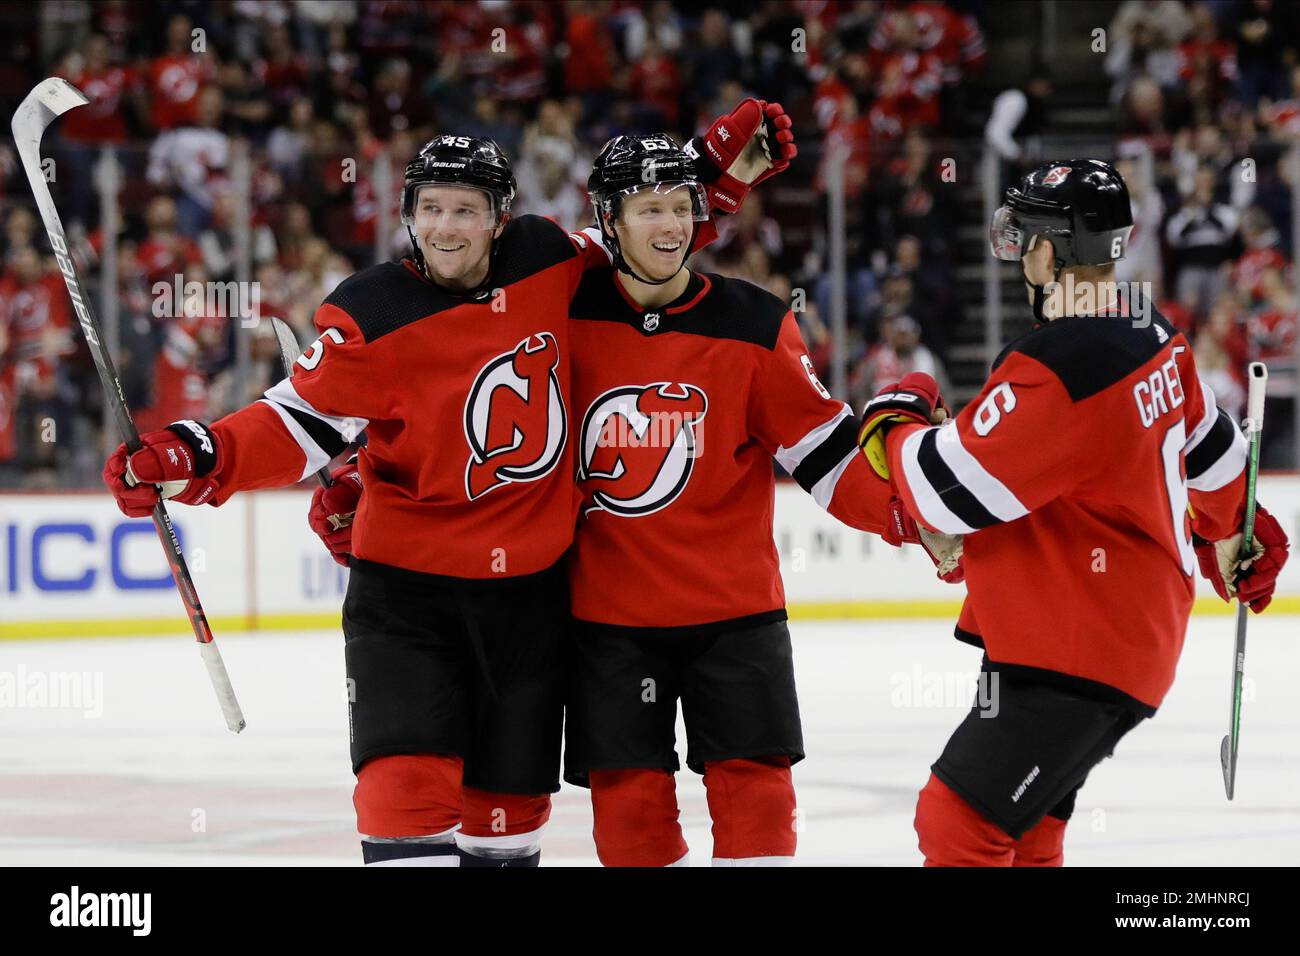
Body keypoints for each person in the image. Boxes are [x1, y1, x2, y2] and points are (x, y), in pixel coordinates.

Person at [101, 100, 789, 868]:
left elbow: (644, 236)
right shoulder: (371, 311)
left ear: (500, 220)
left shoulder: (550, 259)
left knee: (507, 819)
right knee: (405, 796)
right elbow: (296, 423)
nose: (446, 227)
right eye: (430, 208)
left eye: (466, 209)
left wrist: (712, 178)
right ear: (408, 216)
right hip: (408, 598)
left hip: (530, 599)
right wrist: (196, 455)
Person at [312, 135, 963, 866]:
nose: (670, 226)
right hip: (607, 626)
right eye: (647, 209)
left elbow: (823, 452)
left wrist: (910, 516)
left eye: (682, 208)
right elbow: (466, 391)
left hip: (736, 616)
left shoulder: (753, 323)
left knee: (759, 812)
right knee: (631, 830)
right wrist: (369, 473)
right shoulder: (559, 312)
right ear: (609, 224)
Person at [857, 159, 1290, 866]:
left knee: (957, 824)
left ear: (1048, 251)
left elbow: (943, 488)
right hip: (1096, 635)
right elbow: (1209, 446)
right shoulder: (1146, 326)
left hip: (1076, 645)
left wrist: (896, 417)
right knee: (1029, 835)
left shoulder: (1063, 364)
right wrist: (1237, 529)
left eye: (1025, 235)